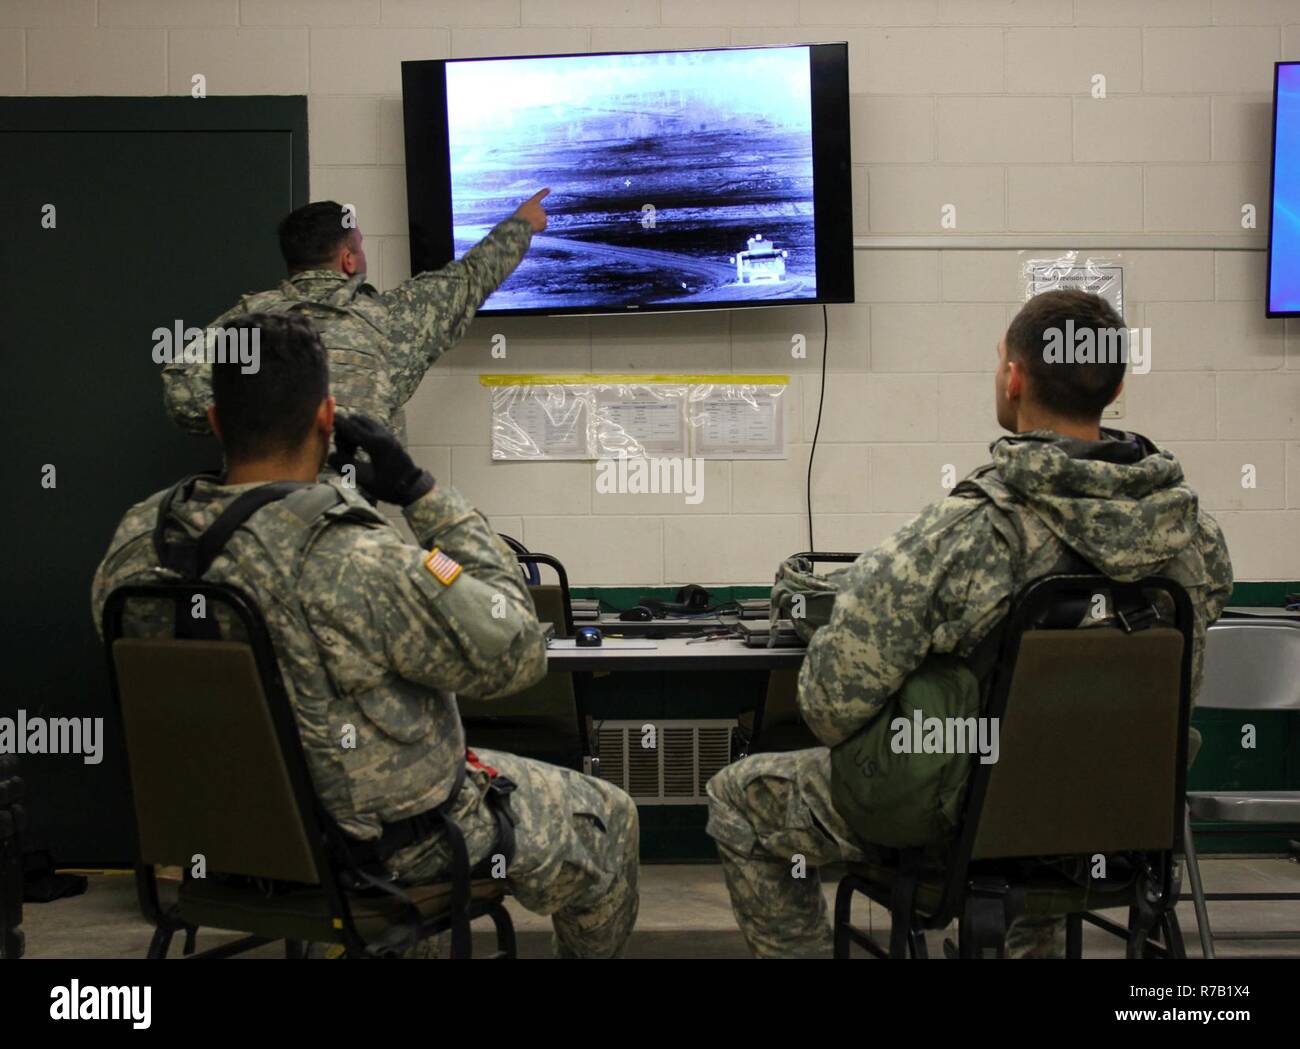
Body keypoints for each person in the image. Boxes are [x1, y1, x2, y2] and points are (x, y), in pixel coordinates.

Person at [706, 289, 1234, 958]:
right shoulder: (1196, 538)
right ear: (1118, 383)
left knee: (739, 800)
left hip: (965, 836)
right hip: (1116, 827)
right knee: (1034, 785)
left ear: (1014, 379)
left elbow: (828, 703)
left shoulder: (962, 533)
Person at [97, 313, 638, 958]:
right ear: (327, 420)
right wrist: (420, 492)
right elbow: (517, 650)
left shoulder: (137, 543)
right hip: (378, 853)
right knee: (610, 818)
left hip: (216, 851)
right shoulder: (358, 556)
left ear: (215, 421)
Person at [162, 191, 550, 440]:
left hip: (256, 518)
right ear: (348, 260)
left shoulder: (246, 321)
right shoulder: (394, 319)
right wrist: (522, 223)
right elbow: (471, 276)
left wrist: (255, 425)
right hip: (354, 524)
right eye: (359, 247)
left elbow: (182, 395)